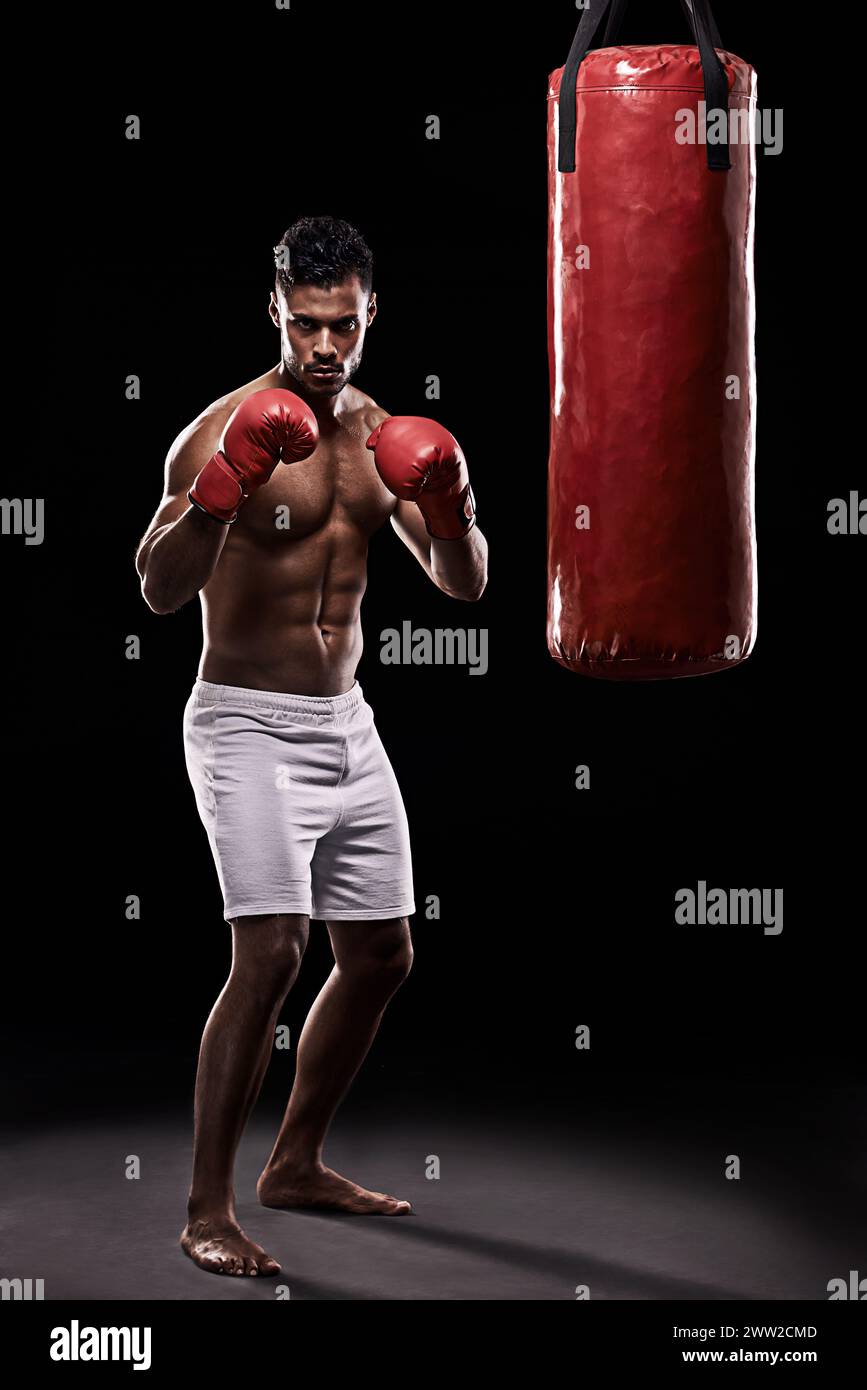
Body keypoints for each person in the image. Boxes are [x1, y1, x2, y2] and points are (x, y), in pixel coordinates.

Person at [134, 215, 488, 1277]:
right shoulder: (222, 428)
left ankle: (294, 1163)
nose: (324, 347)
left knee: (382, 953)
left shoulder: (386, 438)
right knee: (275, 952)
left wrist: (454, 500)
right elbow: (157, 587)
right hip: (242, 719)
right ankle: (205, 1208)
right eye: (304, 323)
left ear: (372, 314)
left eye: (343, 325)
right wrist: (220, 492)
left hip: (345, 722)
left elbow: (465, 586)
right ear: (276, 310)